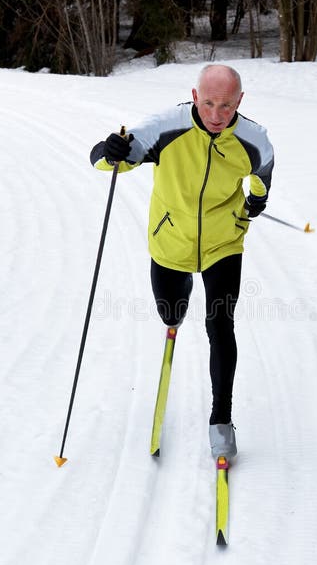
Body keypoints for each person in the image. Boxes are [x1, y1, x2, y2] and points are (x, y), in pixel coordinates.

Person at [90, 64, 274, 460]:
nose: (216, 115)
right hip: (171, 241)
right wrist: (111, 151)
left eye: (226, 105)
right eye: (208, 103)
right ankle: (179, 303)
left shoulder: (253, 140)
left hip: (223, 244)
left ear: (239, 102)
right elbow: (110, 160)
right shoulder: (166, 127)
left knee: (220, 324)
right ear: (194, 96)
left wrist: (253, 206)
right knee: (170, 311)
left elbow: (262, 177)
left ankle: (221, 420)